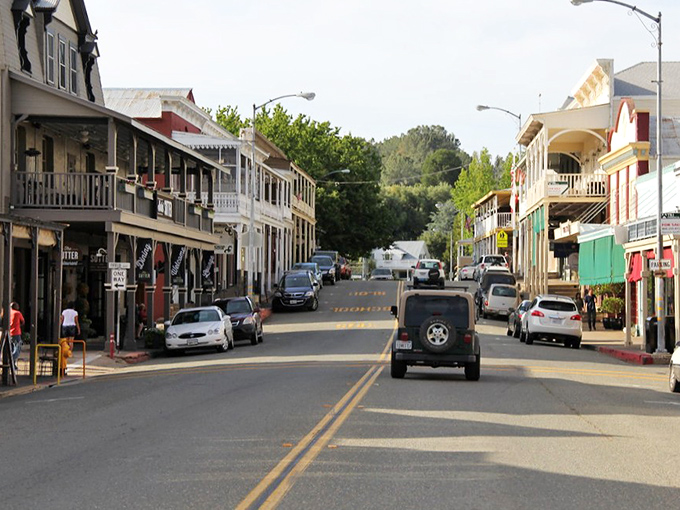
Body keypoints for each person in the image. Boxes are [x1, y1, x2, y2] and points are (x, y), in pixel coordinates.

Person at [59, 302, 80, 377]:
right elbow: (76, 321)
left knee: (65, 341)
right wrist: (78, 329)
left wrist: (60, 326)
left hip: (65, 326)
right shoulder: (75, 312)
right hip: (72, 326)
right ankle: (69, 352)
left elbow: (62, 319)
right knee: (71, 341)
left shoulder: (64, 311)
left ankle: (65, 351)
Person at [9, 302, 25, 371]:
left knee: (12, 348)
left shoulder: (8, 313)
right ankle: (11, 361)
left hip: (9, 333)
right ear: (15, 307)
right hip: (16, 332)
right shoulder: (18, 313)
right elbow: (23, 321)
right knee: (17, 349)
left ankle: (13, 365)